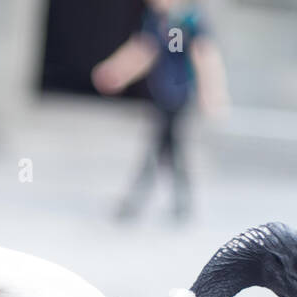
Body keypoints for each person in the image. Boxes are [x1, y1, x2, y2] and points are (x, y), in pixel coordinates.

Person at [92, 0, 228, 221]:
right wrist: (116, 71)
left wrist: (212, 94)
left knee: (157, 149)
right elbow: (143, 50)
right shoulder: (157, 20)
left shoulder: (190, 20)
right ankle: (181, 204)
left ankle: (135, 202)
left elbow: (204, 56)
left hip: (179, 96)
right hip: (161, 95)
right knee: (171, 150)